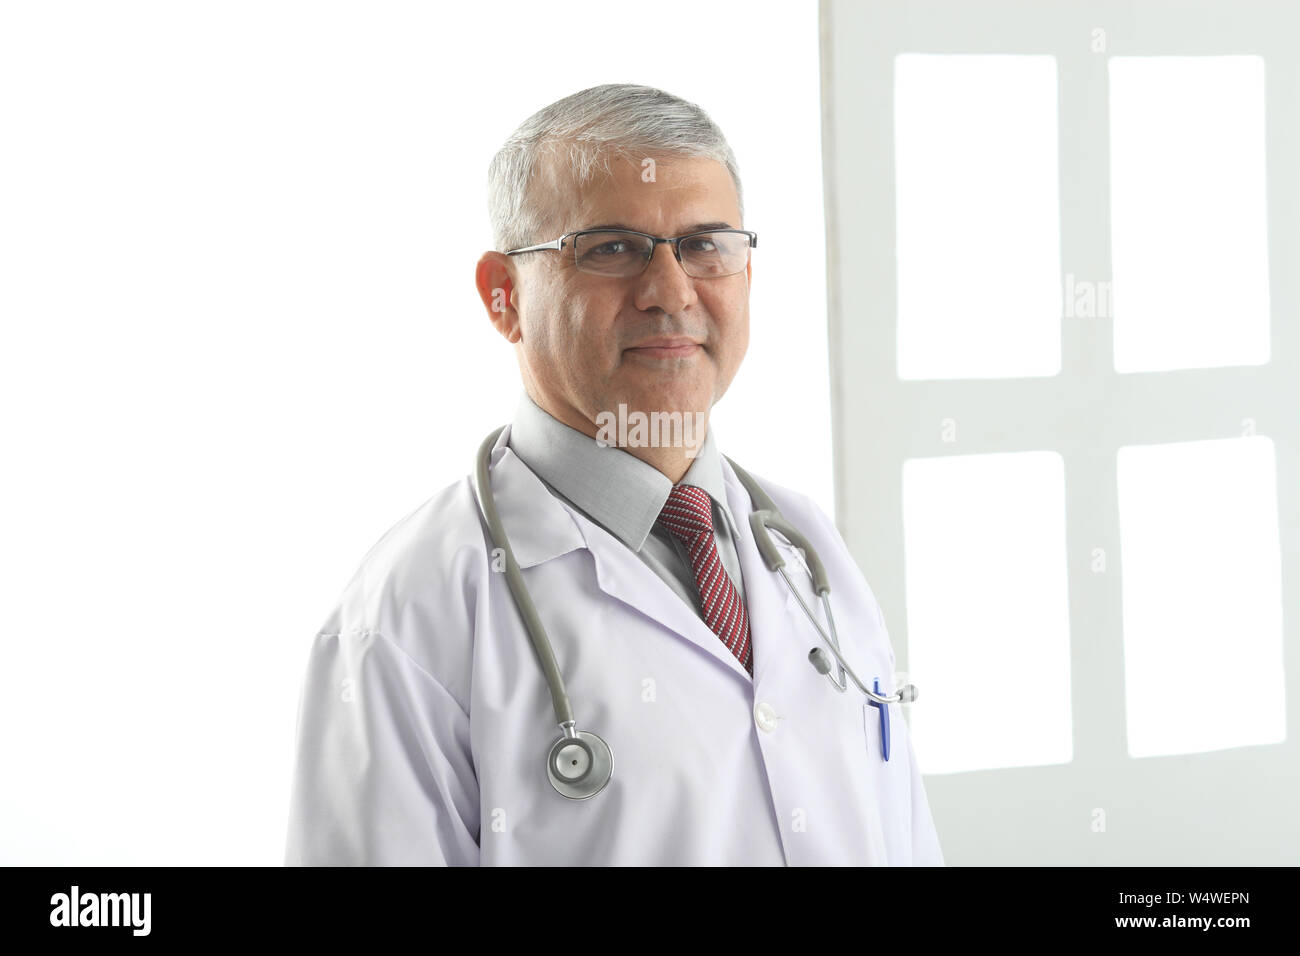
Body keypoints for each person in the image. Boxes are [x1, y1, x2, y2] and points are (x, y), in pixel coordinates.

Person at [283, 83, 944, 866]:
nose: (670, 293)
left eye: (705, 245)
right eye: (612, 248)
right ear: (505, 297)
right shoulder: (407, 618)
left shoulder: (808, 552)